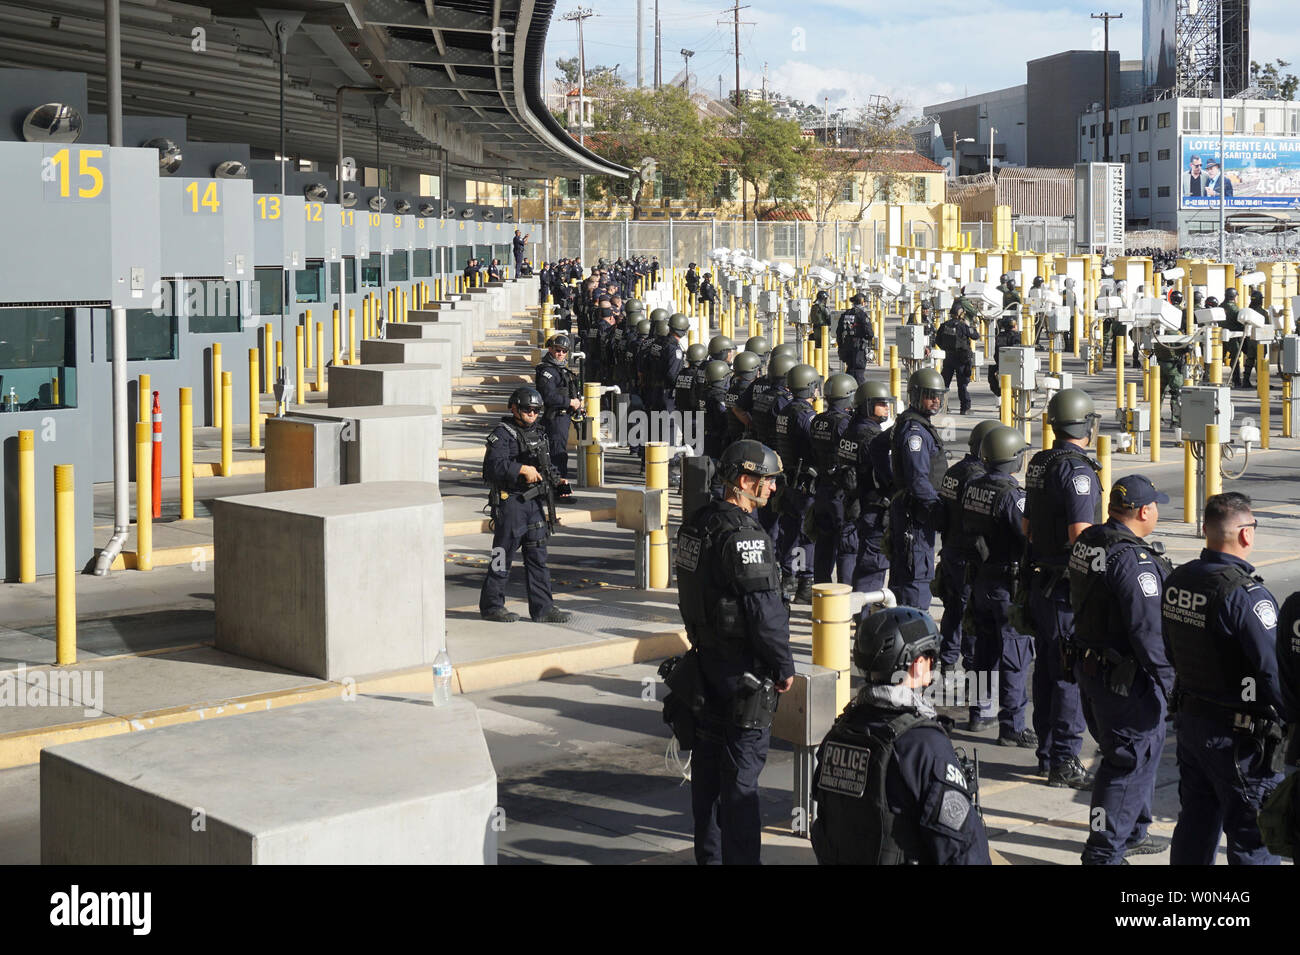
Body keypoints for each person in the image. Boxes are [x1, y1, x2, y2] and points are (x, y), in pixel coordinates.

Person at [675, 440, 795, 865]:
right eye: (767, 482)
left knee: (706, 780)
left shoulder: (696, 524)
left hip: (703, 664)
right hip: (742, 676)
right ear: (745, 481)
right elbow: (765, 616)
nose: (772, 490)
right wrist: (784, 666)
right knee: (741, 785)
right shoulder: (746, 536)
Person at [810, 606, 991, 865]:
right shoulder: (923, 744)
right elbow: (960, 846)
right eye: (930, 656)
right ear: (917, 665)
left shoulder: (840, 731)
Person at [1163, 492, 1286, 865]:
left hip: (1192, 722)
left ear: (1205, 530)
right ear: (1246, 535)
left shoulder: (1178, 578)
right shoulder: (1246, 596)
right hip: (1239, 740)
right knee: (1252, 837)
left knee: (1196, 822)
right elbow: (1273, 672)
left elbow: (1170, 649)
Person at [1068, 475, 1175, 864]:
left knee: (1131, 758)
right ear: (1145, 512)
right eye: (1156, 505)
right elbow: (1148, 633)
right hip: (1125, 681)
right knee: (1125, 765)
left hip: (1093, 668)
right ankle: (1103, 852)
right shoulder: (1133, 560)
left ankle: (1132, 832)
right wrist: (1173, 687)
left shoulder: (1091, 540)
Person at [1024, 388, 1102, 787]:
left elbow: (1027, 526)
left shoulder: (1039, 462)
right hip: (1065, 590)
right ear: (1086, 423)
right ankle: (1065, 759)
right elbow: (1080, 535)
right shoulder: (1077, 470)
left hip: (1040, 580)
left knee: (1047, 671)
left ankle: (1046, 752)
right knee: (1069, 673)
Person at [961, 425, 1035, 745]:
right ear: (1013, 459)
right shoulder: (1012, 496)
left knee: (983, 652)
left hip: (980, 578)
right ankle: (1012, 725)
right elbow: (1027, 537)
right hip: (1007, 581)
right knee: (1014, 655)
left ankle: (979, 712)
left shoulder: (973, 487)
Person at [479, 387, 571, 624]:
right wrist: (520, 469)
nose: (531, 414)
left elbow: (546, 466)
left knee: (538, 556)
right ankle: (492, 605)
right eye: (527, 410)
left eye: (536, 410)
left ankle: (543, 609)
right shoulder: (503, 434)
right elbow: (491, 468)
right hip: (512, 503)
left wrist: (557, 480)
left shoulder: (539, 433)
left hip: (534, 504)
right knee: (502, 556)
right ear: (514, 408)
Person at [935, 419, 1000, 672]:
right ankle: (971, 665)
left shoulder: (955, 471)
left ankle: (948, 663)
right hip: (969, 556)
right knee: (970, 614)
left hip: (951, 549)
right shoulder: (979, 478)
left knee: (952, 609)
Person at [887, 368, 948, 610]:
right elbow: (917, 479)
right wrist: (937, 509)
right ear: (915, 396)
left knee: (905, 570)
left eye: (938, 396)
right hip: (916, 514)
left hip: (911, 511)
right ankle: (913, 629)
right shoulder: (915, 432)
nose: (936, 400)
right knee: (916, 577)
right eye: (929, 395)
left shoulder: (913, 424)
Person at [773, 364, 822, 604]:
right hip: (805, 481)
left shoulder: (785, 410)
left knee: (789, 531)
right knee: (806, 534)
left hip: (790, 479)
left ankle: (788, 577)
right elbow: (816, 445)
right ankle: (805, 583)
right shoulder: (805, 415)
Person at [810, 373, 860, 586]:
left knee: (823, 544)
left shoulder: (818, 420)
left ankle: (820, 592)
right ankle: (844, 597)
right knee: (847, 546)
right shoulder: (845, 424)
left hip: (822, 488)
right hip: (841, 492)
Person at [843, 381, 893, 594]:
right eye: (881, 404)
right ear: (867, 406)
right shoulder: (872, 438)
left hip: (856, 502)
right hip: (873, 506)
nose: (886, 408)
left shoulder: (850, 430)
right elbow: (886, 474)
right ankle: (863, 618)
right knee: (873, 566)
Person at [535, 333, 582, 481]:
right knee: (558, 454)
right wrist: (570, 403)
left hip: (565, 416)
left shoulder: (561, 369)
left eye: (564, 351)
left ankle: (556, 486)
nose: (560, 353)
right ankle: (559, 488)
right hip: (555, 417)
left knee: (558, 453)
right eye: (557, 350)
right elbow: (548, 397)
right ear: (550, 348)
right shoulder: (547, 371)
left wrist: (576, 405)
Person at [936, 300, 980, 414]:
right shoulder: (962, 326)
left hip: (949, 358)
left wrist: (946, 349)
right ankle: (965, 408)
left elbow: (938, 341)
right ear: (960, 314)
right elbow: (975, 336)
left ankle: (942, 406)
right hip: (962, 358)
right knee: (962, 385)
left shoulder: (944, 325)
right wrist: (970, 325)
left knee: (944, 383)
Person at [836, 293, 874, 384]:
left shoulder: (845, 314)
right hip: (858, 347)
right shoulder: (862, 315)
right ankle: (860, 394)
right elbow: (869, 333)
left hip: (847, 346)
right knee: (858, 372)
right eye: (865, 302)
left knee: (849, 370)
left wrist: (841, 346)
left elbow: (838, 332)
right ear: (863, 303)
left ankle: (848, 391)